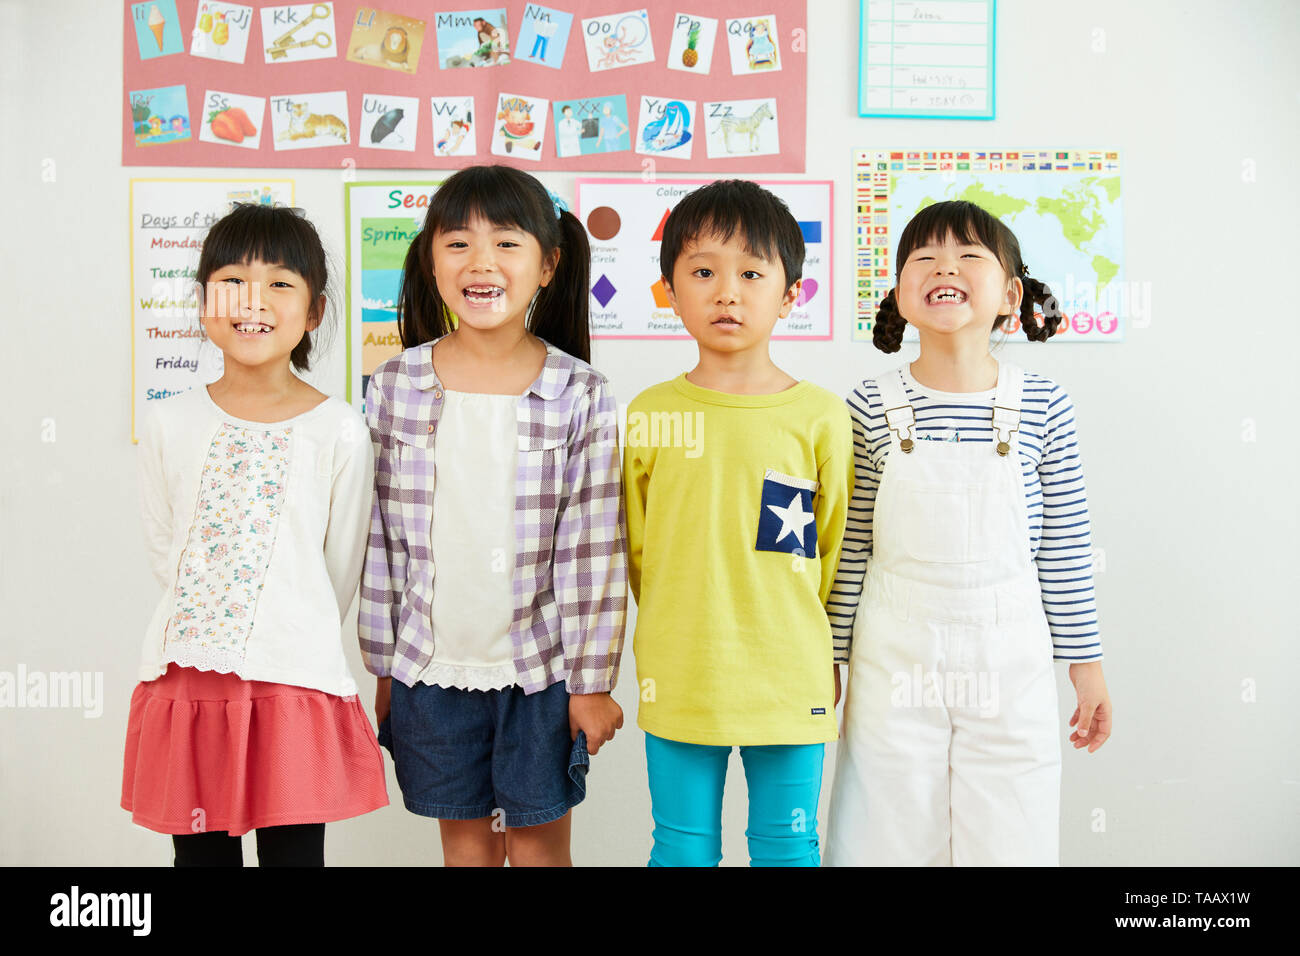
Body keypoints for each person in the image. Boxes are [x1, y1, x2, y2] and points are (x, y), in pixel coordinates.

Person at [825, 200, 1113, 866]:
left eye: (968, 255)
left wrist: (1088, 669)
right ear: (900, 291)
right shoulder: (867, 405)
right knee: (882, 830)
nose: (944, 266)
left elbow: (1066, 546)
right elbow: (850, 546)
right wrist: (829, 661)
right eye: (923, 257)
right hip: (891, 653)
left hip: (1011, 657)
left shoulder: (1045, 404)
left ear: (1010, 293)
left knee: (1014, 830)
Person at [362, 165, 626, 866]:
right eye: (458, 244)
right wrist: (383, 665)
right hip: (429, 669)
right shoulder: (394, 386)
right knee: (468, 856)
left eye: (506, 243)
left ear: (548, 266)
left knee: (540, 855)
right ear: (430, 261)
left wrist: (593, 681)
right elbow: (381, 539)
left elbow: (593, 547)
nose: (481, 262)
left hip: (540, 676)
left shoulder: (580, 392)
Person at [122, 203, 387, 866]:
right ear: (203, 299)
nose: (253, 302)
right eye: (233, 281)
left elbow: (338, 569)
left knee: (295, 858)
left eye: (279, 284)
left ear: (315, 311)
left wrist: (276, 623)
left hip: (293, 680)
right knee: (201, 860)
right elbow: (168, 550)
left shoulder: (340, 431)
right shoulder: (169, 422)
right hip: (190, 678)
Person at [623, 179, 854, 866]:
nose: (727, 292)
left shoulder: (821, 416)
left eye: (752, 273)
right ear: (668, 291)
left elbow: (835, 547)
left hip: (789, 674)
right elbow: (636, 551)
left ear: (790, 295)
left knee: (787, 845)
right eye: (703, 272)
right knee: (682, 848)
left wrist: (823, 653)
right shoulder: (646, 413)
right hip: (681, 669)